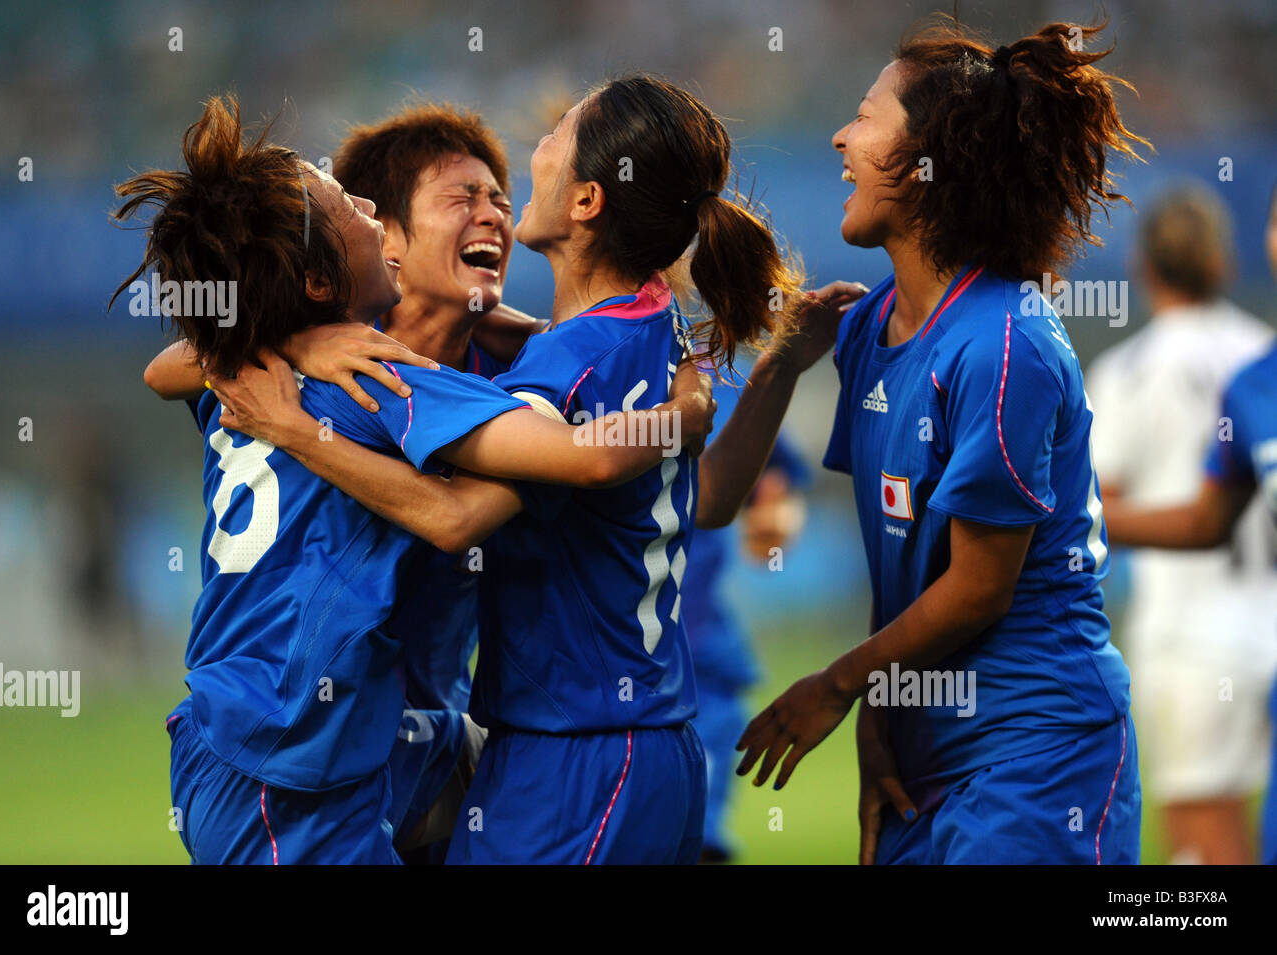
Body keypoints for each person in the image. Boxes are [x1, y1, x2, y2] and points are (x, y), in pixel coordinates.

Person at [212, 73, 861, 863]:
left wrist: (300, 428)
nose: (514, 180)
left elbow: (456, 517)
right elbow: (713, 499)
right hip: (629, 750)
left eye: (552, 142)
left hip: (575, 761)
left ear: (588, 201)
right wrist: (759, 381)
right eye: (462, 197)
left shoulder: (551, 373)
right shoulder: (651, 322)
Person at [115, 95, 713, 864]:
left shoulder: (270, 362)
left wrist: (295, 342)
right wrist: (686, 407)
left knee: (487, 766)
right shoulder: (389, 381)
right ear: (386, 247)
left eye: (498, 195)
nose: (493, 212)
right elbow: (548, 472)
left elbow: (175, 364)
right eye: (461, 198)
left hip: (362, 736)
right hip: (291, 755)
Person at [734, 18, 1149, 865]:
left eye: (865, 116)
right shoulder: (866, 331)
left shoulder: (1007, 344)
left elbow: (977, 589)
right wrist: (883, 722)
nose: (840, 137)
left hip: (1036, 751)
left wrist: (838, 685)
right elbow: (901, 565)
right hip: (921, 760)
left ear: (930, 162)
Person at [1086, 184, 1277, 865]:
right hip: (1271, 629)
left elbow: (1096, 511)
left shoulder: (1129, 371)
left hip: (1191, 641)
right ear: (1224, 262)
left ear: (1144, 267)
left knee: (1203, 855)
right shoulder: (1261, 352)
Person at [683, 364, 810, 863]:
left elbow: (776, 485)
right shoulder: (552, 358)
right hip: (583, 678)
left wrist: (776, 514)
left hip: (695, 664)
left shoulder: (720, 380)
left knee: (695, 843)